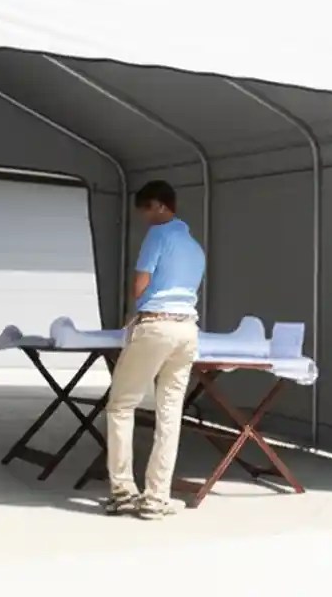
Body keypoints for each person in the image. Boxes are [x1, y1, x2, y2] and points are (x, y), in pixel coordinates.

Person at [104, 179, 207, 519]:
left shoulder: (158, 235)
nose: (145, 218)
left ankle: (122, 491)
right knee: (170, 413)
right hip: (187, 330)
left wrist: (138, 305)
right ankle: (156, 497)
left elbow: (140, 284)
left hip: (156, 325)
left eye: (146, 210)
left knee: (121, 405)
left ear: (160, 206)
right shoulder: (195, 247)